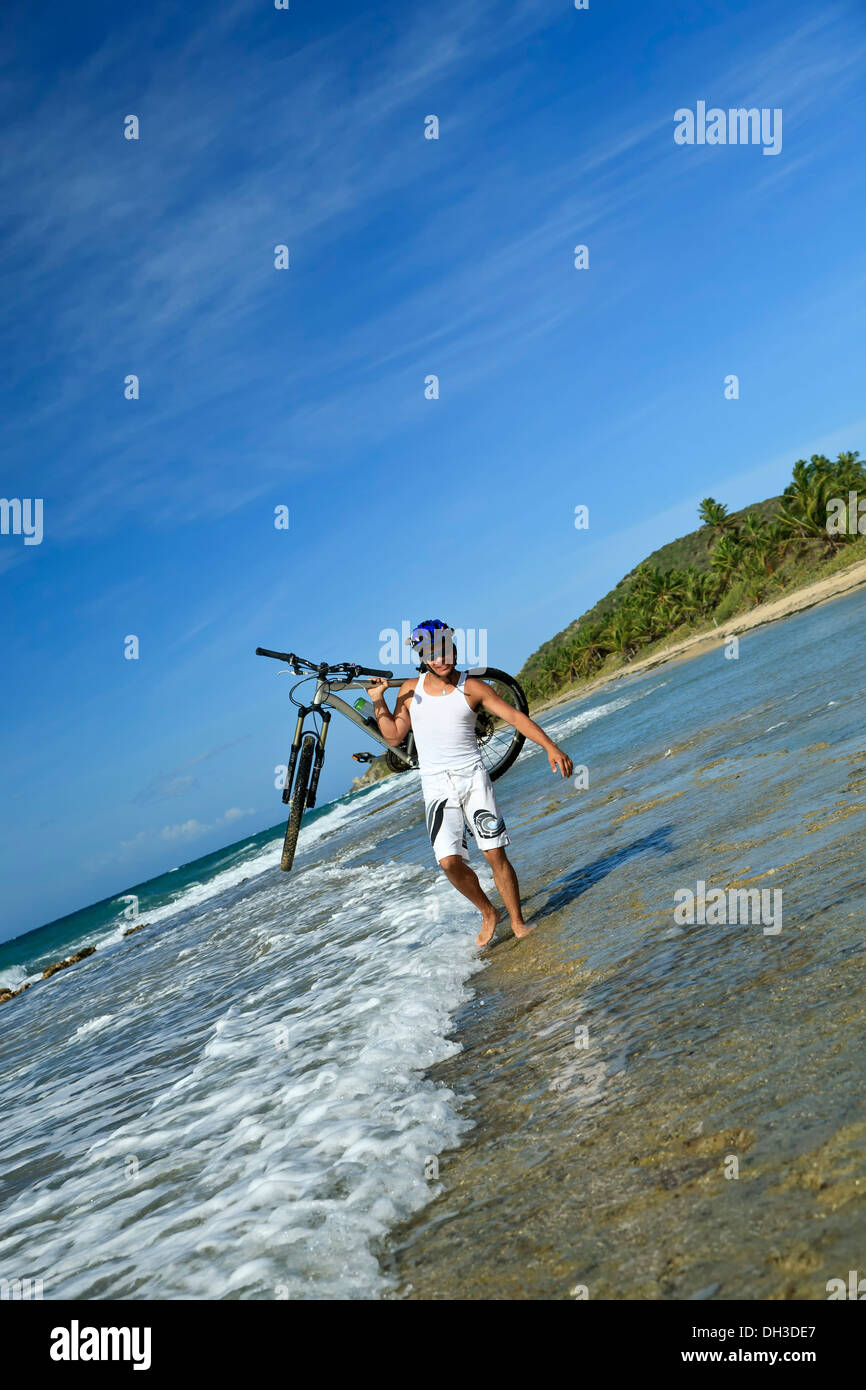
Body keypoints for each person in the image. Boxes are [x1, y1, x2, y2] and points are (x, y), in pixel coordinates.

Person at [367, 619, 574, 946]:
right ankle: (488, 911)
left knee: (495, 855)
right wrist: (377, 700)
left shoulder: (473, 687)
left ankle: (518, 923)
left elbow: (516, 718)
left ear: (455, 648)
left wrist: (550, 747)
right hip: (436, 785)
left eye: (446, 650)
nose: (441, 658)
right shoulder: (410, 690)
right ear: (423, 658)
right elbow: (393, 734)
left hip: (473, 778)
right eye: (432, 654)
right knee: (449, 862)